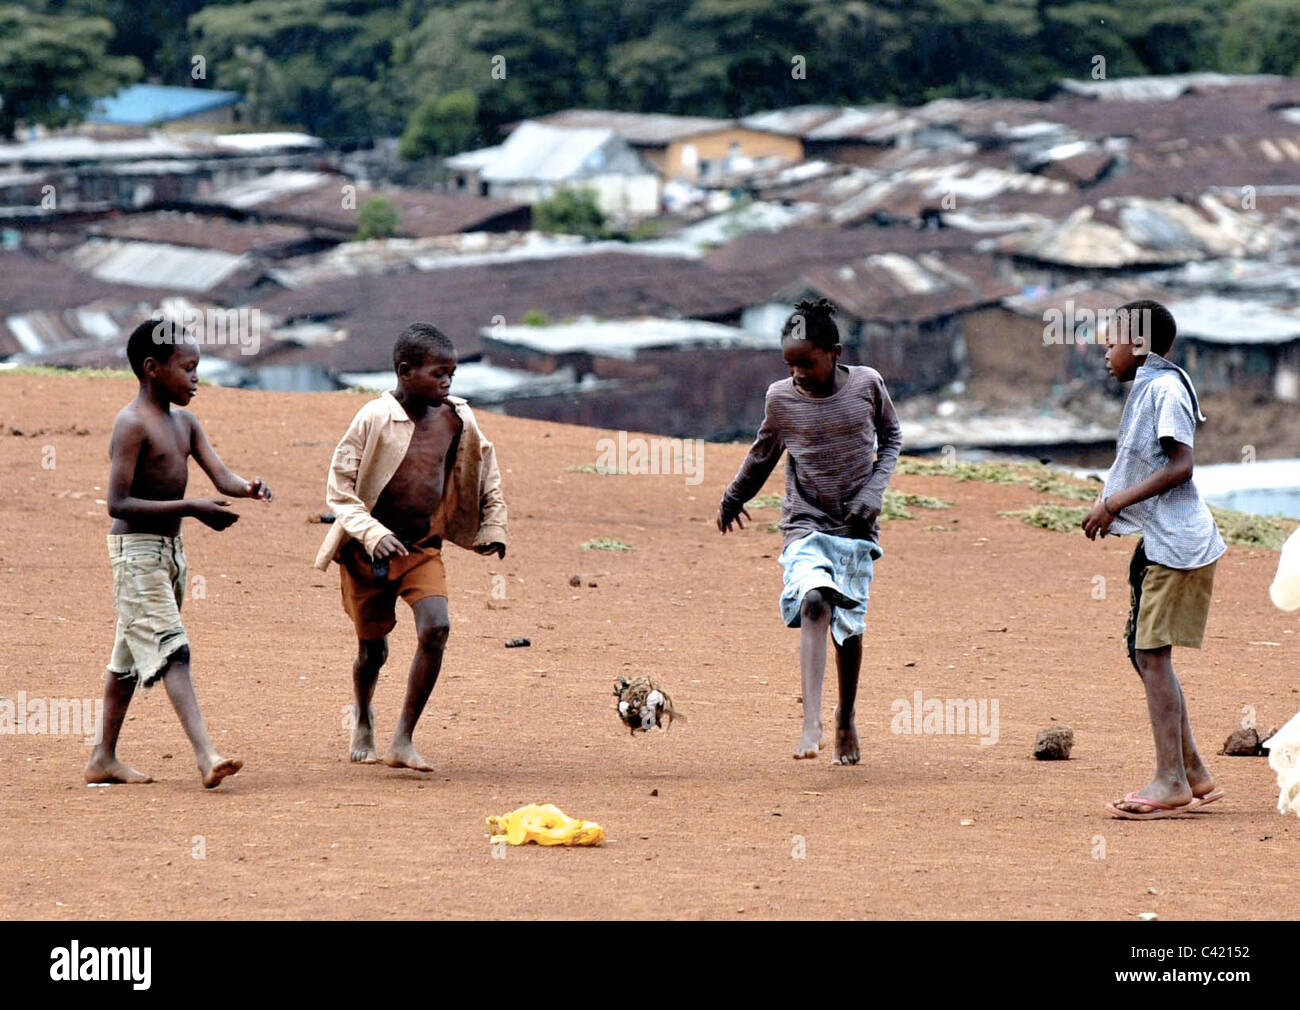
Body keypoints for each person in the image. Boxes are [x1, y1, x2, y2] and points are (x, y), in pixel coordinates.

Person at [87, 318, 271, 789]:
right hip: (136, 554)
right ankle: (206, 754)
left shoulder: (185, 422)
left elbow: (222, 477)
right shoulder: (132, 425)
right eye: (187, 368)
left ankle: (103, 758)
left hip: (169, 553)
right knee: (174, 649)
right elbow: (117, 503)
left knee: (127, 658)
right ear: (152, 368)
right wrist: (191, 508)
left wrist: (248, 489)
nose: (195, 379)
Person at [314, 323, 507, 772]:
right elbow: (339, 491)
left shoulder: (458, 418)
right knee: (373, 649)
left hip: (421, 546)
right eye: (439, 373)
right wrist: (371, 533)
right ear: (405, 371)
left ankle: (403, 738)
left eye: (452, 374)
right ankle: (363, 714)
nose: (447, 382)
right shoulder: (372, 418)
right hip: (367, 551)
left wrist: (493, 526)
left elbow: (486, 473)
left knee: (436, 628)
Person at [717, 298, 902, 764]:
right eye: (789, 364)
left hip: (856, 528)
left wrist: (874, 492)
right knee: (815, 599)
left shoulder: (867, 385)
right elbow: (764, 453)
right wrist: (734, 496)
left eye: (807, 362)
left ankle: (845, 716)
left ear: (834, 352)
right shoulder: (780, 399)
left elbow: (892, 438)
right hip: (805, 523)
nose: (797, 373)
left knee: (850, 631)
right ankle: (810, 722)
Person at [1082, 300, 1226, 819]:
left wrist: (1113, 503)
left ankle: (1171, 780)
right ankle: (1192, 771)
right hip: (1163, 542)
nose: (1104, 352)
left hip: (1179, 546)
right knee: (1142, 652)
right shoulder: (1152, 386)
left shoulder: (1164, 390)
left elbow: (1181, 466)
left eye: (1111, 343)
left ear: (1138, 345)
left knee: (1153, 656)